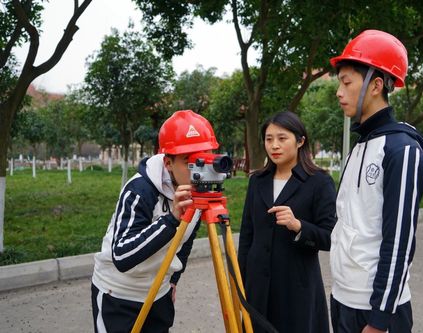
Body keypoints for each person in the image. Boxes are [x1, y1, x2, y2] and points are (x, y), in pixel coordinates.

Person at [328, 30, 423, 333]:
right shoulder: (362, 144)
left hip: (376, 310)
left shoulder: (402, 149)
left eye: (347, 82)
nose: (338, 91)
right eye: (339, 82)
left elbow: (400, 241)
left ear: (376, 85)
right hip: (343, 296)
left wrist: (379, 320)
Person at [91, 110, 220, 332]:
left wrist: (173, 280)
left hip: (159, 293)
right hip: (119, 295)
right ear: (168, 163)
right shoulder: (140, 189)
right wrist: (172, 220)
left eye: (203, 158)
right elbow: (122, 256)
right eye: (188, 161)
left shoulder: (200, 191)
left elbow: (185, 242)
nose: (198, 170)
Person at [238, 111, 336, 333]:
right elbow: (247, 234)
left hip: (296, 287)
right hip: (257, 287)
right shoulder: (257, 181)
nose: (274, 145)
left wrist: (298, 226)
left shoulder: (319, 182)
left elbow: (330, 237)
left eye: (282, 138)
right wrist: (240, 280)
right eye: (269, 139)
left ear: (300, 141)